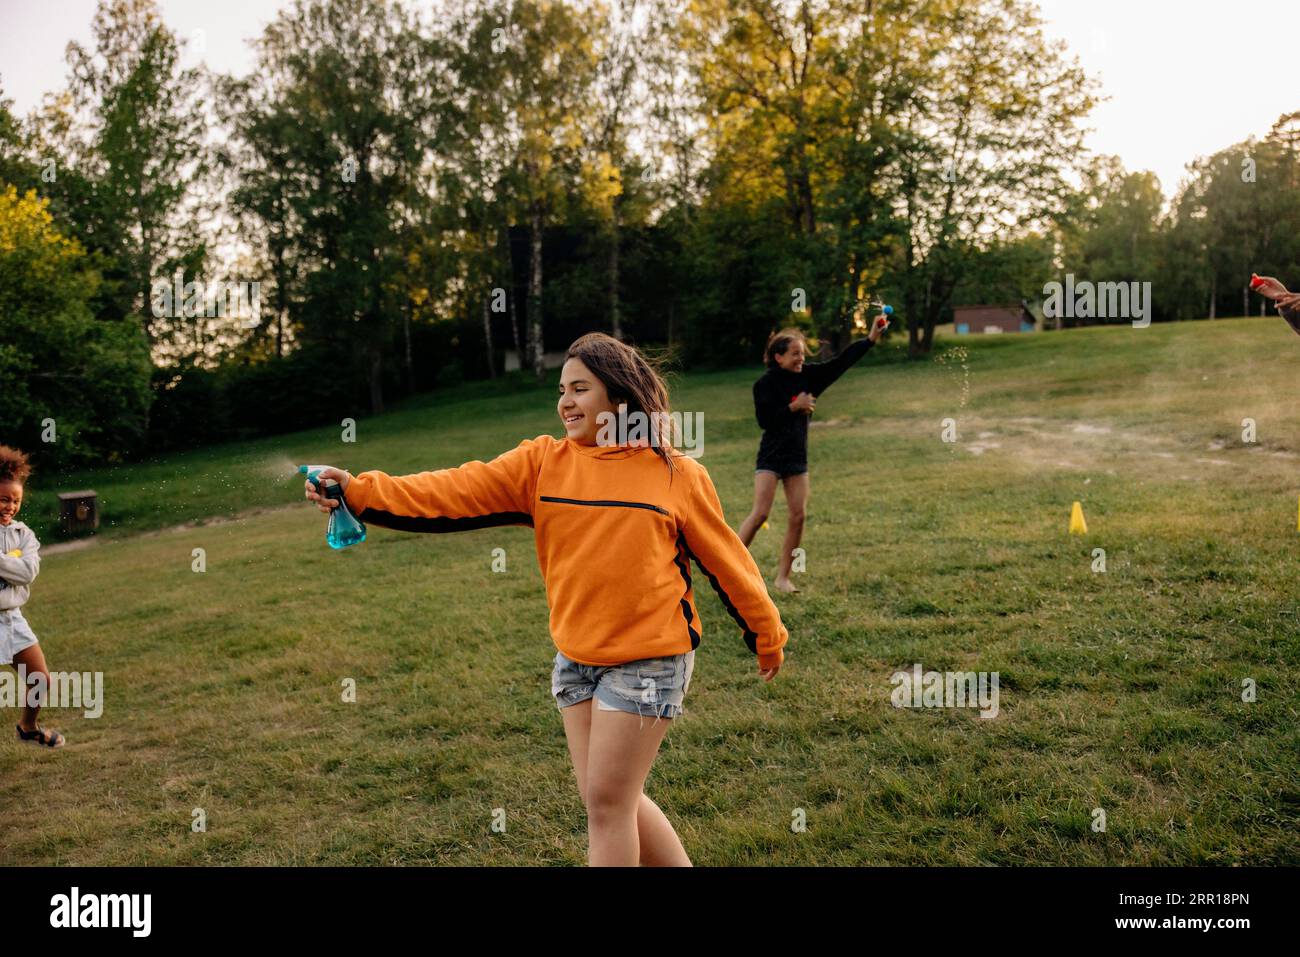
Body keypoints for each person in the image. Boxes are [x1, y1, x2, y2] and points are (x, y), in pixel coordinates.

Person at [302, 332, 788, 866]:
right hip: (577, 659)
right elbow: (452, 490)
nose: (565, 402)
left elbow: (728, 562)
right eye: (561, 390)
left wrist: (766, 632)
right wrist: (360, 490)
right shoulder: (542, 464)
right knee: (609, 800)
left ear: (620, 397)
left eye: (580, 388)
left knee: (607, 805)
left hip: (651, 660)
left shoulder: (675, 474)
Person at [738, 315, 889, 592]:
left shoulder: (809, 377)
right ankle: (730, 565)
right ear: (778, 357)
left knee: (798, 516)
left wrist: (869, 339)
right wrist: (794, 407)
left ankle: (783, 578)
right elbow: (765, 420)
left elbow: (840, 363)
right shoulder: (765, 384)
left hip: (797, 457)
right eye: (795, 354)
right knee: (760, 514)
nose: (800, 359)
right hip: (771, 456)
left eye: (802, 354)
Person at [0, 445, 64, 748]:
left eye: (16, 500)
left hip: (12, 619)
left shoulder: (24, 535)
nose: (10, 506)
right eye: (3, 499)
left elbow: (27, 573)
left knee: (40, 679)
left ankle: (27, 727)